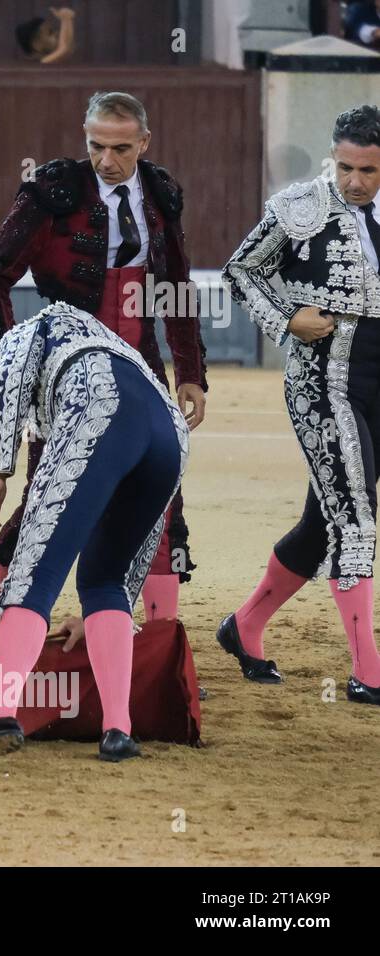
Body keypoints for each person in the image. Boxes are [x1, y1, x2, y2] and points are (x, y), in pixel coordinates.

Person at [0, 91, 206, 651]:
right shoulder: (54, 190)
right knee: (49, 495)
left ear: (143, 144)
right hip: (69, 375)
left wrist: (190, 370)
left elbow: (175, 286)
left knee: (159, 497)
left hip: (142, 370)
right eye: (96, 146)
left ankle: (157, 647)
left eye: (121, 149)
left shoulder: (161, 192)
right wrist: (17, 360)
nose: (106, 160)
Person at [0, 302, 188, 769]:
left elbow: (12, 372)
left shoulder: (29, 331)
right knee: (107, 579)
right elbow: (138, 549)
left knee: (34, 569)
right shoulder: (114, 343)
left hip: (99, 405)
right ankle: (118, 730)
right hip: (171, 435)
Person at [218, 105, 380, 705]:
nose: (354, 181)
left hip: (377, 387)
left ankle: (246, 626)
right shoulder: (302, 206)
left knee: (326, 522)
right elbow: (241, 270)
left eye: (367, 169)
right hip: (324, 381)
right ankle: (368, 670)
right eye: (345, 166)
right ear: (332, 156)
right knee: (356, 519)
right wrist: (286, 319)